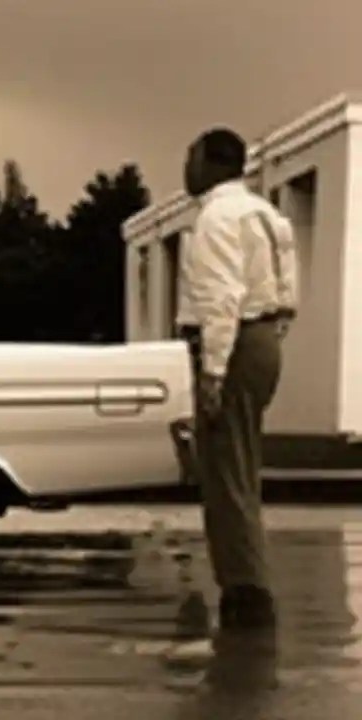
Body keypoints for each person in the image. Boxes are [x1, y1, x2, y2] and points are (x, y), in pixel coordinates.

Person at [178, 127, 299, 630]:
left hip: (237, 341)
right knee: (242, 468)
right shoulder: (267, 214)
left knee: (226, 473)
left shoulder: (216, 217)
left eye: (190, 157)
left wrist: (212, 371)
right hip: (264, 338)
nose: (185, 169)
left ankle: (245, 593)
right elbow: (287, 292)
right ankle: (248, 584)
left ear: (212, 164)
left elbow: (222, 299)